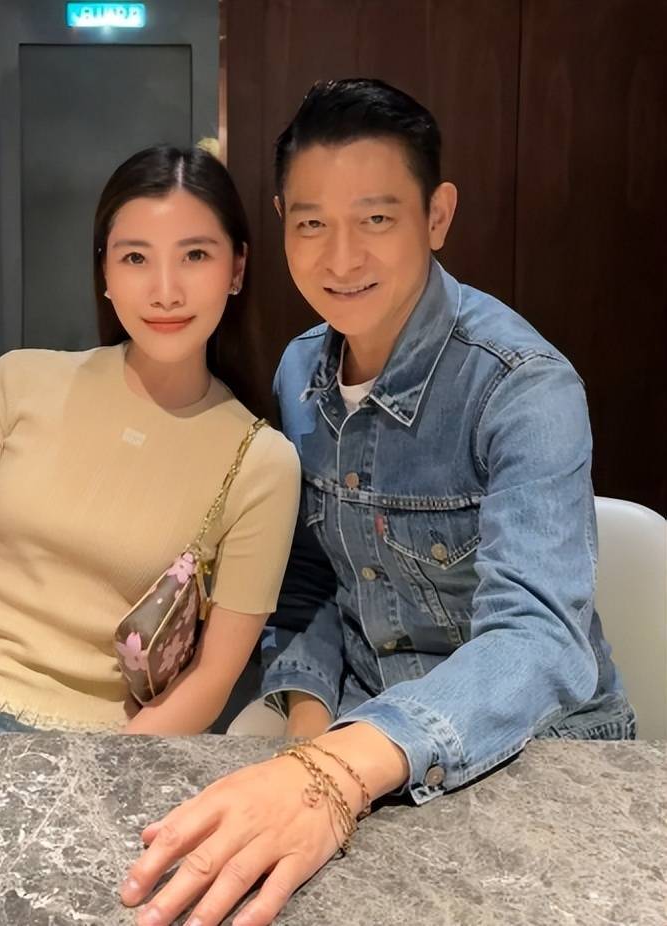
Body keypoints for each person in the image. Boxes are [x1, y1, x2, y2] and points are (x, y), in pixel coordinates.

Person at [119, 80, 634, 926]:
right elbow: (315, 584)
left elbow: (540, 637)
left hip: (537, 750)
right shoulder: (300, 372)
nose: (341, 258)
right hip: (354, 742)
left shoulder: (523, 389)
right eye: (312, 224)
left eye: (377, 219)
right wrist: (308, 739)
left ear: (437, 216)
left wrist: (333, 771)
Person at [0, 145, 300, 735]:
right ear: (105, 272)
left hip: (90, 751)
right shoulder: (17, 382)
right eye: (135, 257)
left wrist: (96, 777)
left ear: (236, 269)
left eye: (195, 255)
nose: (165, 290)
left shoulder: (261, 463)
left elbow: (210, 679)